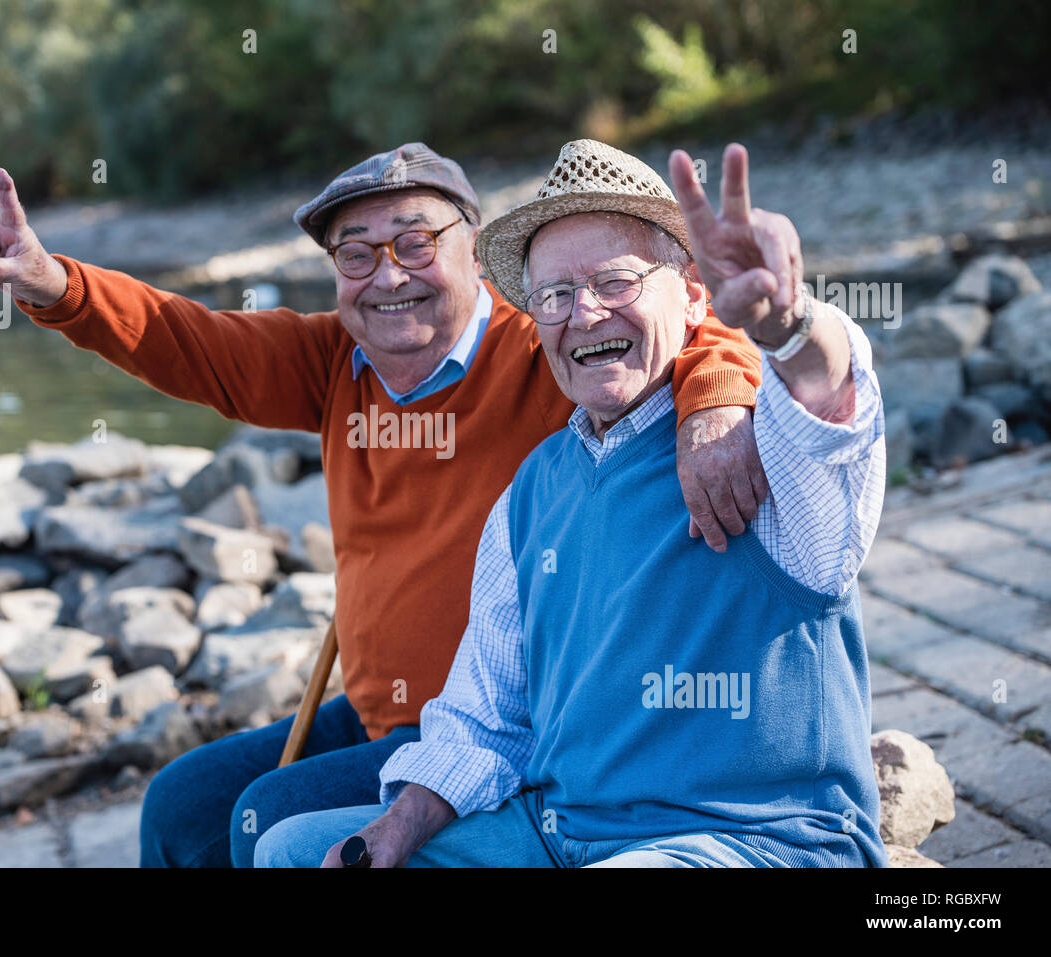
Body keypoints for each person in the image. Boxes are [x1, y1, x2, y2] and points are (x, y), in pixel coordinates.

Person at [0, 143, 766, 868]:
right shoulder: (335, 360)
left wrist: (718, 400)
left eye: (415, 242)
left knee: (265, 817)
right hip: (376, 712)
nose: (389, 275)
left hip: (499, 725)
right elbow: (182, 339)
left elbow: (689, 327)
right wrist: (54, 284)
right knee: (177, 807)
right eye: (356, 254)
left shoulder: (545, 340)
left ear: (473, 248)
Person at [254, 139, 888, 868]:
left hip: (752, 839)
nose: (583, 313)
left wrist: (790, 325)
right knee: (288, 849)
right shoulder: (531, 491)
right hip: (557, 833)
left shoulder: (758, 441)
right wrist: (395, 829)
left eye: (615, 282)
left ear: (691, 295)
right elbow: (485, 719)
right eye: (554, 294)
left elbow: (832, 402)